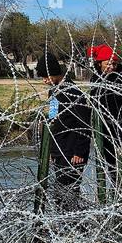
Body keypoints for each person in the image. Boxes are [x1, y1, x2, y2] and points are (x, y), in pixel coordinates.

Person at [87, 44, 122, 198]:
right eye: (108, 63)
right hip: (102, 129)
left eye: (114, 63)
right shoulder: (95, 78)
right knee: (108, 165)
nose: (111, 66)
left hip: (121, 128)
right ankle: (112, 197)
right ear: (99, 63)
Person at [42, 52, 92, 209]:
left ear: (54, 73)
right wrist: (51, 149)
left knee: (68, 193)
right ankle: (66, 225)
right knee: (60, 194)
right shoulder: (54, 93)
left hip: (72, 153)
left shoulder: (73, 93)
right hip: (59, 150)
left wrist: (80, 152)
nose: (44, 80)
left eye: (46, 76)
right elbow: (53, 120)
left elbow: (84, 124)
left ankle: (72, 226)